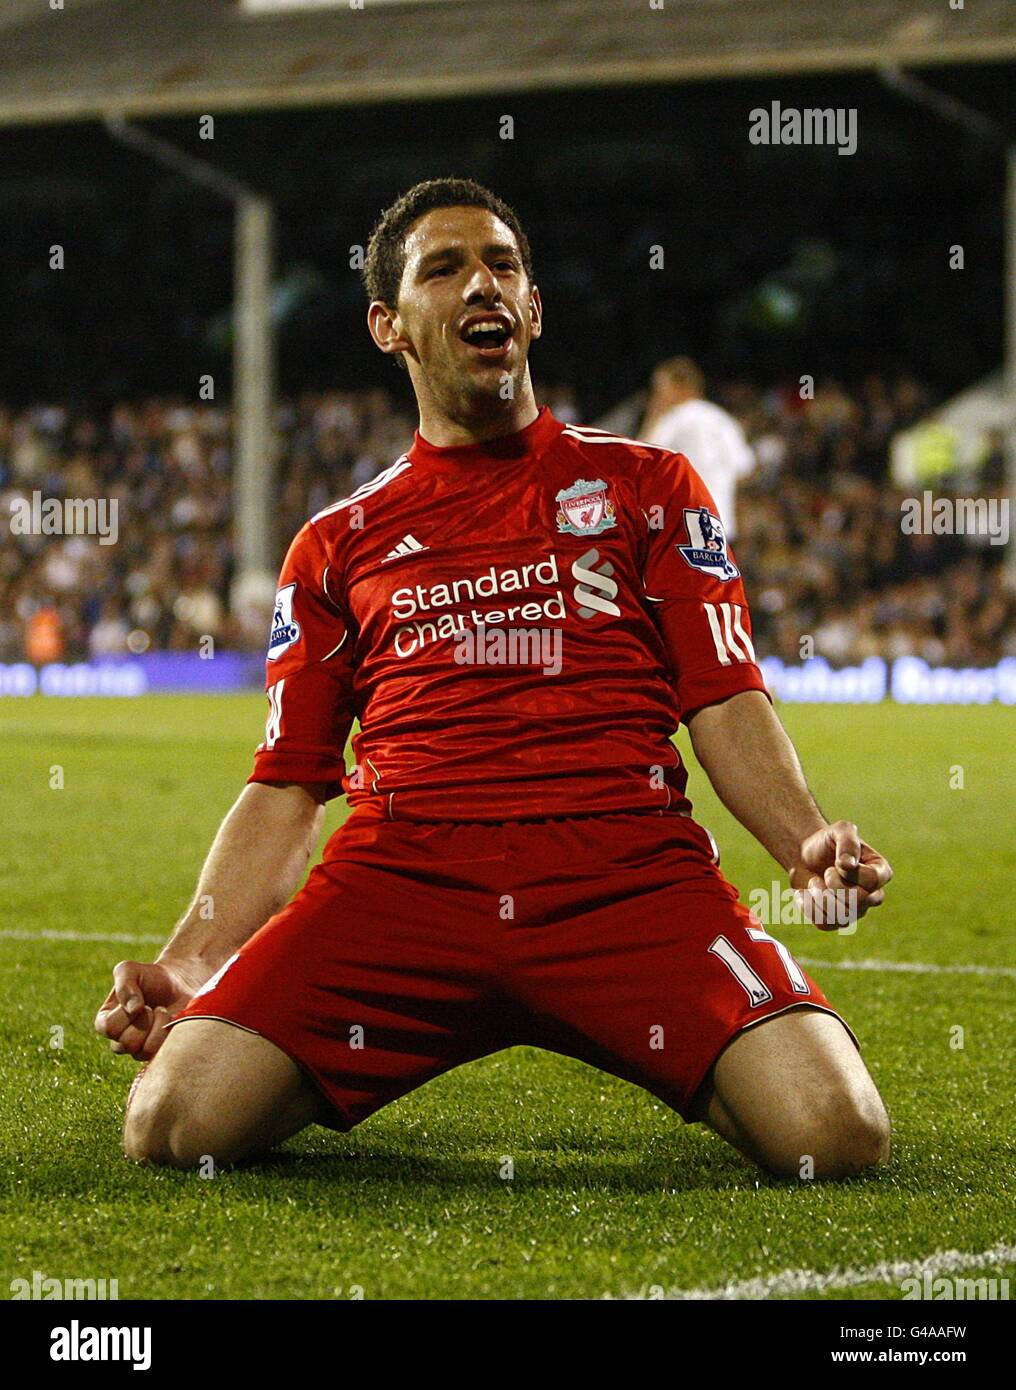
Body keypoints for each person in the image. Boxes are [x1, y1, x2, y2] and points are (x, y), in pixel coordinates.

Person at [96, 179, 892, 1179]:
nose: (483, 283)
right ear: (387, 325)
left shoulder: (647, 487)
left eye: (503, 265)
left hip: (624, 876)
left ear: (532, 310)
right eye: (444, 268)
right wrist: (188, 962)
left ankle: (698, 1050)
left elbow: (723, 697)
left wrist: (802, 843)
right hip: (403, 884)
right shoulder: (334, 544)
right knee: (171, 1124)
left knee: (834, 1133)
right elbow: (288, 780)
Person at [642, 357, 755, 538]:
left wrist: (653, 415)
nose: (657, 395)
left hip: (683, 524)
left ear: (680, 387)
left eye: (661, 387)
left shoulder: (675, 417)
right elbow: (745, 468)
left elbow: (644, 460)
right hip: (720, 523)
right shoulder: (722, 419)